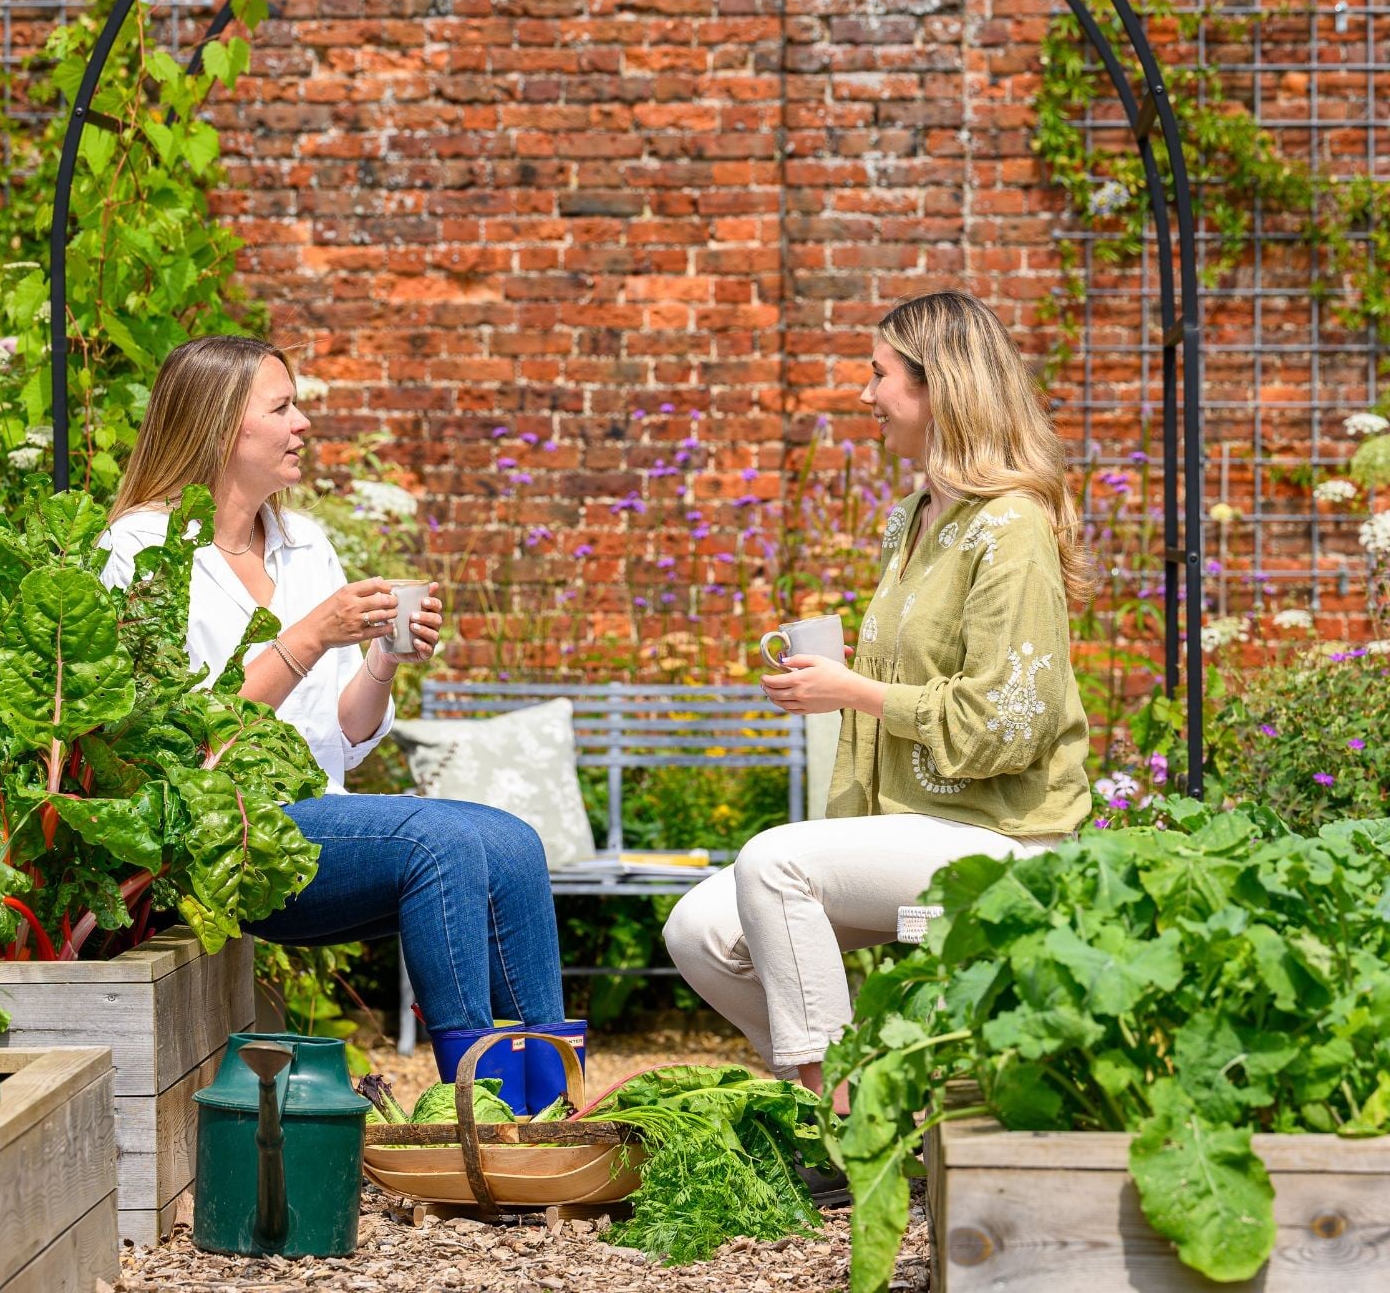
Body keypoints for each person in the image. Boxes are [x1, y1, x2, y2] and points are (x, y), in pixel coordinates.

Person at [663, 290, 1092, 1103]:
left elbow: (1011, 722)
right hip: (910, 828)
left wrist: (857, 691)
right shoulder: (913, 519)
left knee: (775, 861)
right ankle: (883, 1087)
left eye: (879, 374)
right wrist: (845, 687)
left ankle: (844, 1122)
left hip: (1004, 838)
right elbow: (916, 675)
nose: (865, 396)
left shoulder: (1012, 526)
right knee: (699, 931)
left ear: (940, 389)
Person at [100, 334, 565, 1038]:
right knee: (436, 840)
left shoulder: (306, 543)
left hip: (320, 817)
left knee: (513, 845)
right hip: (222, 833)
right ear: (223, 425)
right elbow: (180, 744)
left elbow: (346, 740)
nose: (303, 424)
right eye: (282, 407)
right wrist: (311, 635)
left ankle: (550, 1107)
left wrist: (382, 655)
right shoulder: (141, 548)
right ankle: (468, 1108)